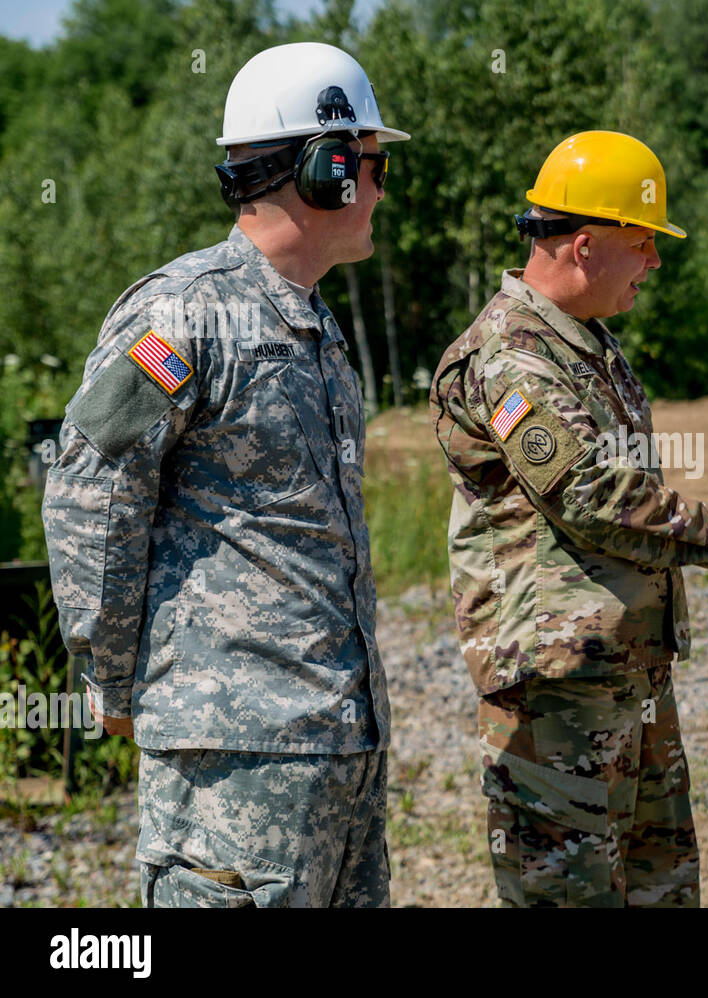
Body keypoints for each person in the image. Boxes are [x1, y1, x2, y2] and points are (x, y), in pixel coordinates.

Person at [40, 42, 408, 908]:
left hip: (337, 746)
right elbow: (92, 488)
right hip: (232, 758)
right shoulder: (184, 314)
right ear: (324, 169)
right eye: (373, 164)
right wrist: (111, 675)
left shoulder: (313, 321)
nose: (382, 188)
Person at [431, 130, 708, 907]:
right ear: (585, 245)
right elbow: (587, 493)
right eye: (643, 242)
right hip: (558, 693)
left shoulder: (588, 344)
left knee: (660, 890)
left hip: (628, 675)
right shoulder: (509, 354)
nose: (655, 261)